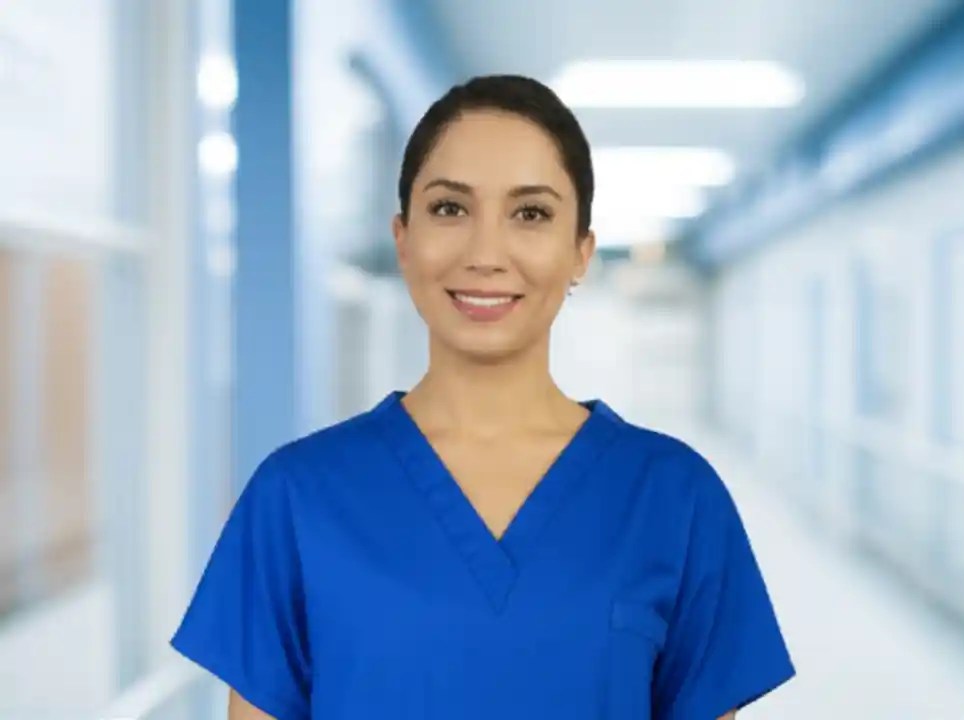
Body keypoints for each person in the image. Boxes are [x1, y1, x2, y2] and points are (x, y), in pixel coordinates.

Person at [170, 74, 795, 719]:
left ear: (581, 251)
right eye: (449, 208)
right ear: (403, 238)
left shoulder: (674, 498)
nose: (486, 253)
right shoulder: (295, 499)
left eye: (531, 214)